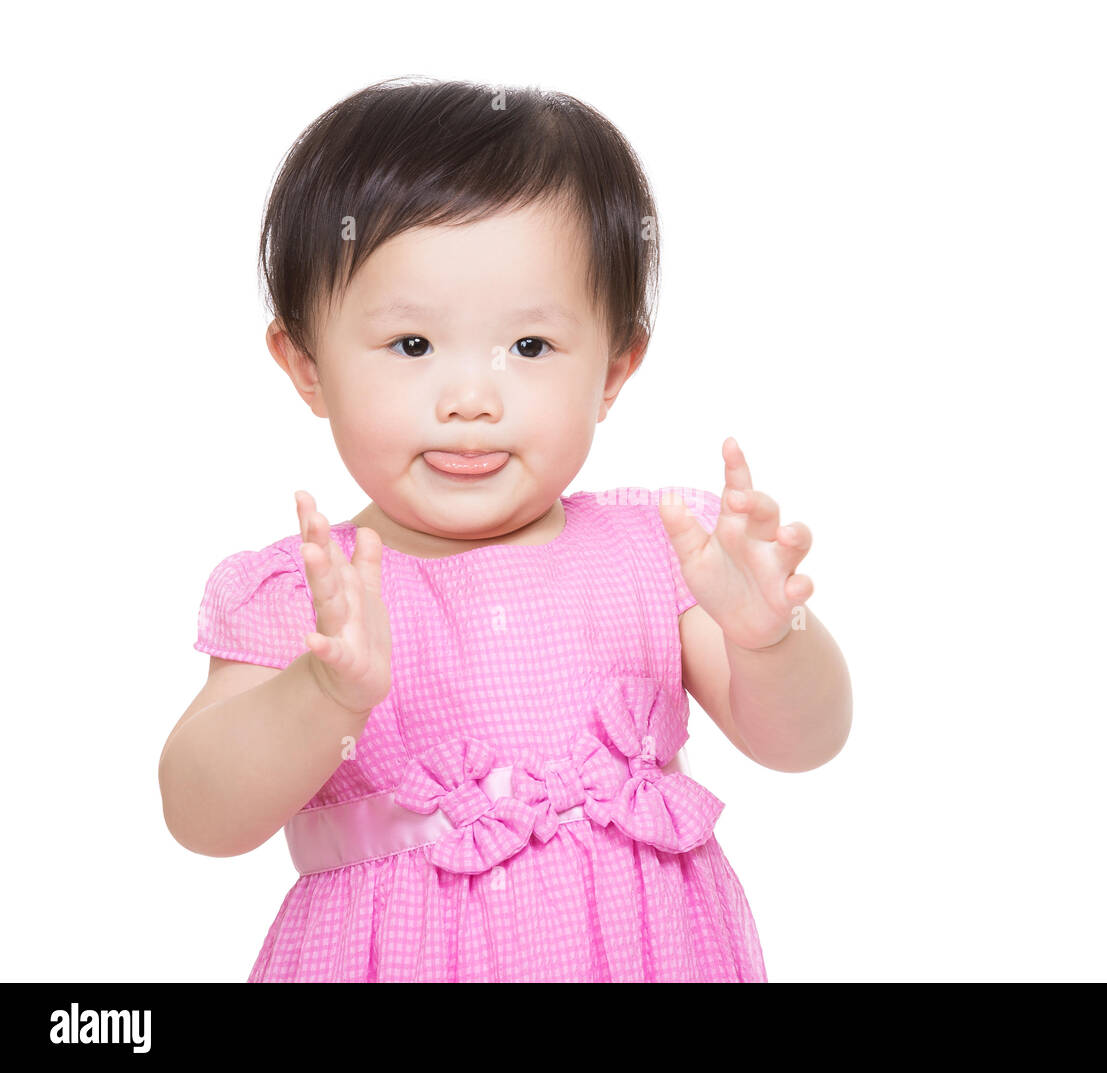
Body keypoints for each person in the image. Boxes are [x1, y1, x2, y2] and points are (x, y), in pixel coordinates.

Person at [157, 77, 852, 982]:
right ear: (306, 365)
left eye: (530, 348)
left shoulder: (662, 553)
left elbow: (805, 742)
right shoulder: (311, 593)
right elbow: (201, 817)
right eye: (412, 345)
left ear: (615, 367)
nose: (472, 399)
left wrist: (769, 638)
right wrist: (322, 694)